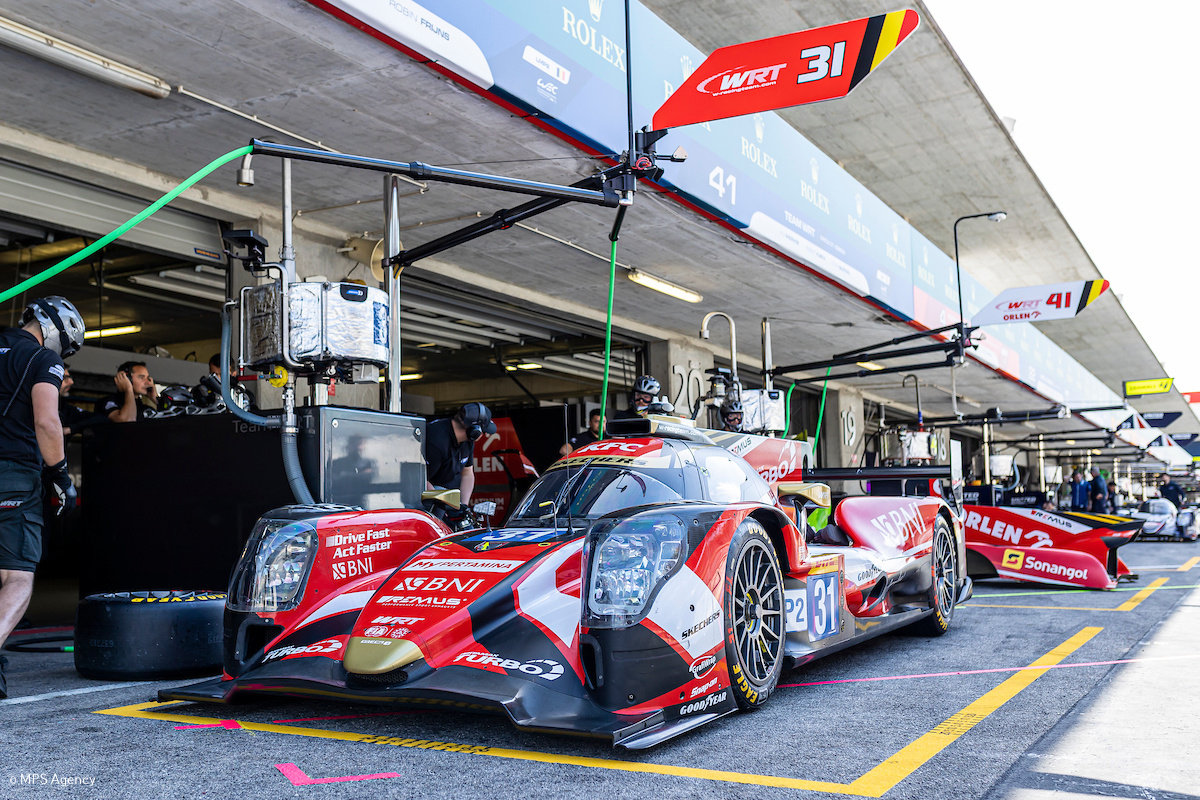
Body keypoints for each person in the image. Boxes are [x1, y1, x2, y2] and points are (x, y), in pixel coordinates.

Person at [0, 296, 83, 698]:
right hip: (13, 475)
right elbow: (47, 421)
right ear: (55, 331)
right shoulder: (41, 360)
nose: (62, 357)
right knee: (16, 577)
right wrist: (60, 477)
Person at [425, 402, 496, 509]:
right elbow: (419, 479)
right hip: (424, 496)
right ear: (475, 431)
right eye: (483, 431)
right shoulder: (436, 441)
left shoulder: (468, 442)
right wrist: (442, 501)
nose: (483, 435)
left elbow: (467, 474)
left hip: (444, 494)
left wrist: (463, 506)